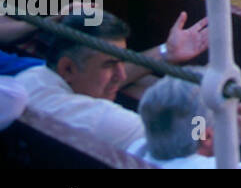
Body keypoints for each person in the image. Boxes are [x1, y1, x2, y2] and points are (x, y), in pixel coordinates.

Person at [14, 9, 209, 150]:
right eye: (108, 64)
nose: (122, 75)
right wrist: (203, 111)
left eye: (122, 62)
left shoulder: (30, 79)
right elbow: (191, 144)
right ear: (67, 68)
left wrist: (166, 52)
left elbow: (92, 79)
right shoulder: (103, 120)